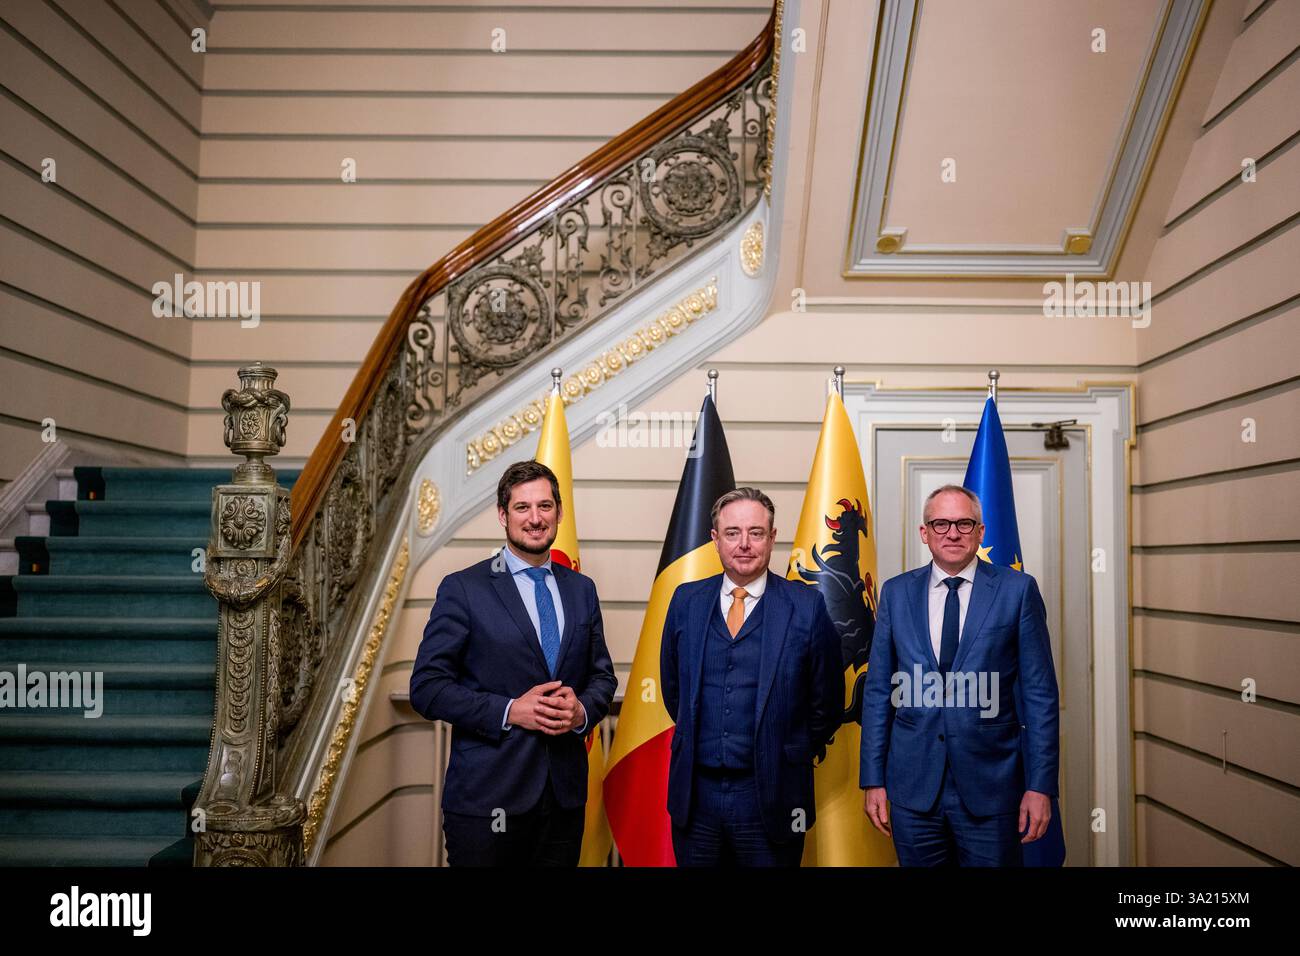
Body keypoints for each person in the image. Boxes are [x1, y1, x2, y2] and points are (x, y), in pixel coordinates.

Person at [409, 460, 617, 866]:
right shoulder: (464, 589)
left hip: (564, 802)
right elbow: (427, 687)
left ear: (559, 512)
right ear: (503, 515)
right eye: (522, 508)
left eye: (545, 506)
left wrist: (580, 712)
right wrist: (510, 711)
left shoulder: (581, 590)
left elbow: (602, 677)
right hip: (488, 803)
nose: (535, 519)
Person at [860, 484, 1059, 866]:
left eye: (964, 524)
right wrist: (872, 779)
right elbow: (878, 693)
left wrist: (1040, 786)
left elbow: (1039, 696)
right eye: (941, 524)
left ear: (981, 532)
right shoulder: (896, 592)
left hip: (993, 790)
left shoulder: (1017, 591)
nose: (952, 533)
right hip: (912, 789)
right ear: (925, 533)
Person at [661, 487, 842, 866]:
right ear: (715, 539)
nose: (744, 544)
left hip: (773, 797)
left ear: (772, 538)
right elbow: (673, 690)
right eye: (732, 533)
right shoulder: (685, 601)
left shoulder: (806, 607)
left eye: (756, 533)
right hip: (697, 799)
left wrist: (785, 749)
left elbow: (826, 704)